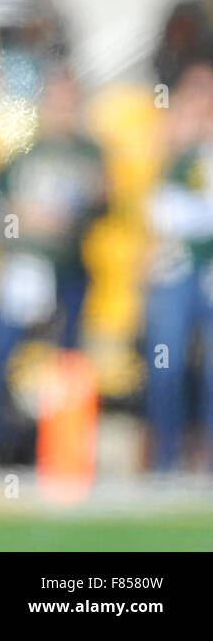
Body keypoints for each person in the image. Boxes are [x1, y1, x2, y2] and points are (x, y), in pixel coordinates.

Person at [0, 66, 108, 463]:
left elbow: (104, 206)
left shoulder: (90, 151)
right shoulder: (28, 153)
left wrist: (94, 198)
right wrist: (21, 213)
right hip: (25, 265)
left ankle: (62, 448)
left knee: (68, 360)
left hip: (68, 268)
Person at [144, 61, 213, 471]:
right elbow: (161, 213)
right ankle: (164, 459)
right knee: (165, 364)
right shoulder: (174, 148)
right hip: (175, 271)